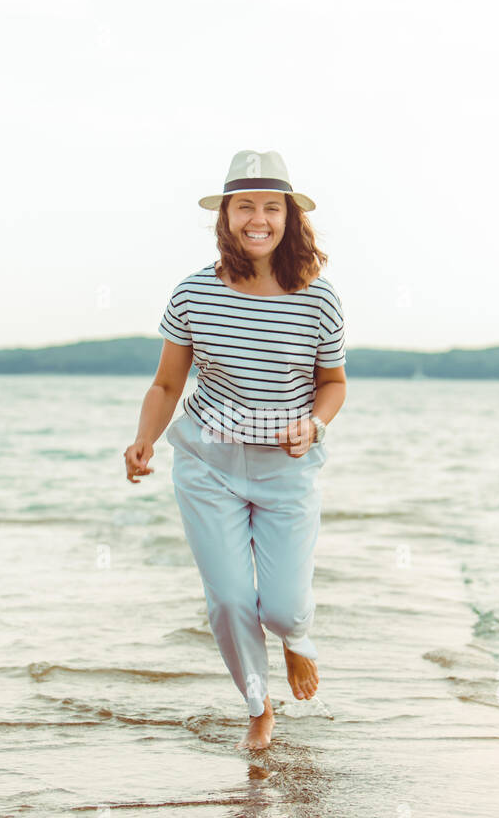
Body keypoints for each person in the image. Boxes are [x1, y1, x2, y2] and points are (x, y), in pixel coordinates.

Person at [124, 150, 347, 751]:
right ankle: (258, 705)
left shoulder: (318, 300)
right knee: (227, 598)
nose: (258, 219)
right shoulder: (193, 294)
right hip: (206, 462)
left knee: (281, 606)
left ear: (288, 218)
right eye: (244, 206)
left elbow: (334, 385)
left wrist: (314, 427)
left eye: (271, 207)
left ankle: (297, 639)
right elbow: (168, 383)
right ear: (225, 217)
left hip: (287, 470)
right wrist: (145, 437)